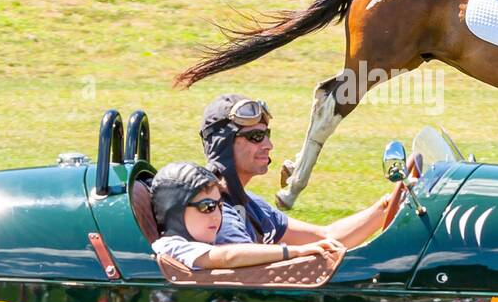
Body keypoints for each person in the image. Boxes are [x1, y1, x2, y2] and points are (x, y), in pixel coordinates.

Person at [199, 93, 392, 247]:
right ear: (224, 144)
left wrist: (386, 205)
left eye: (267, 134)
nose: (269, 145)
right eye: (256, 136)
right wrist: (298, 253)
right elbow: (246, 266)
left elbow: (327, 237)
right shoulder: (213, 209)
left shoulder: (252, 205)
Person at [148, 162, 340, 270]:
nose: (216, 215)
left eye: (219, 206)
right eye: (207, 207)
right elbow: (227, 256)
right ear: (175, 211)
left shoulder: (203, 242)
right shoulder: (172, 247)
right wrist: (295, 251)